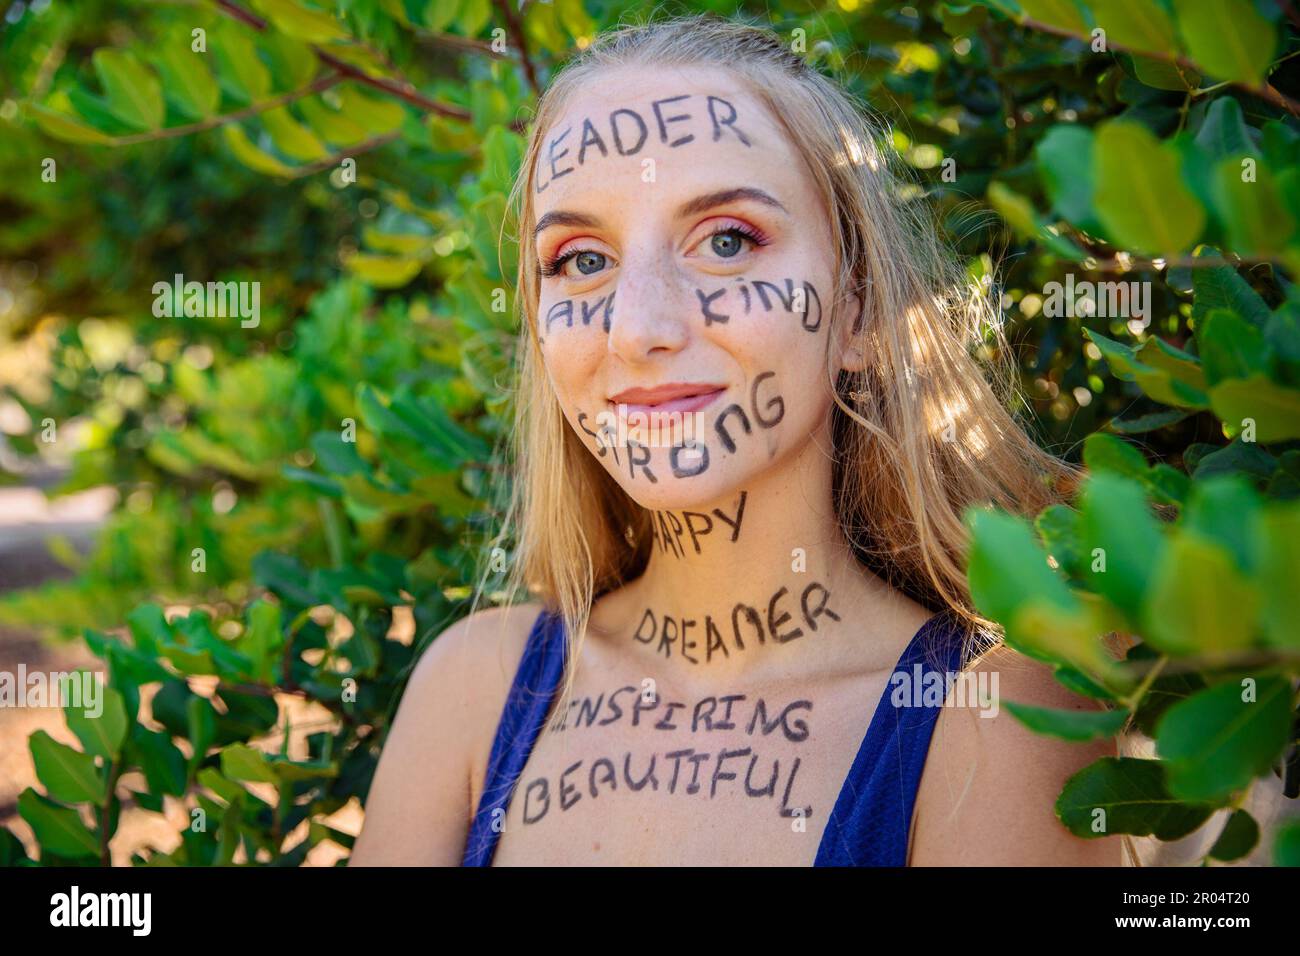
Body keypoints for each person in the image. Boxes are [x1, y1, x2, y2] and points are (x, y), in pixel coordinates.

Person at [350, 13, 1127, 867]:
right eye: (579, 259)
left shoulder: (994, 717)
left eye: (727, 241)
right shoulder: (474, 689)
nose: (636, 327)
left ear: (861, 309)